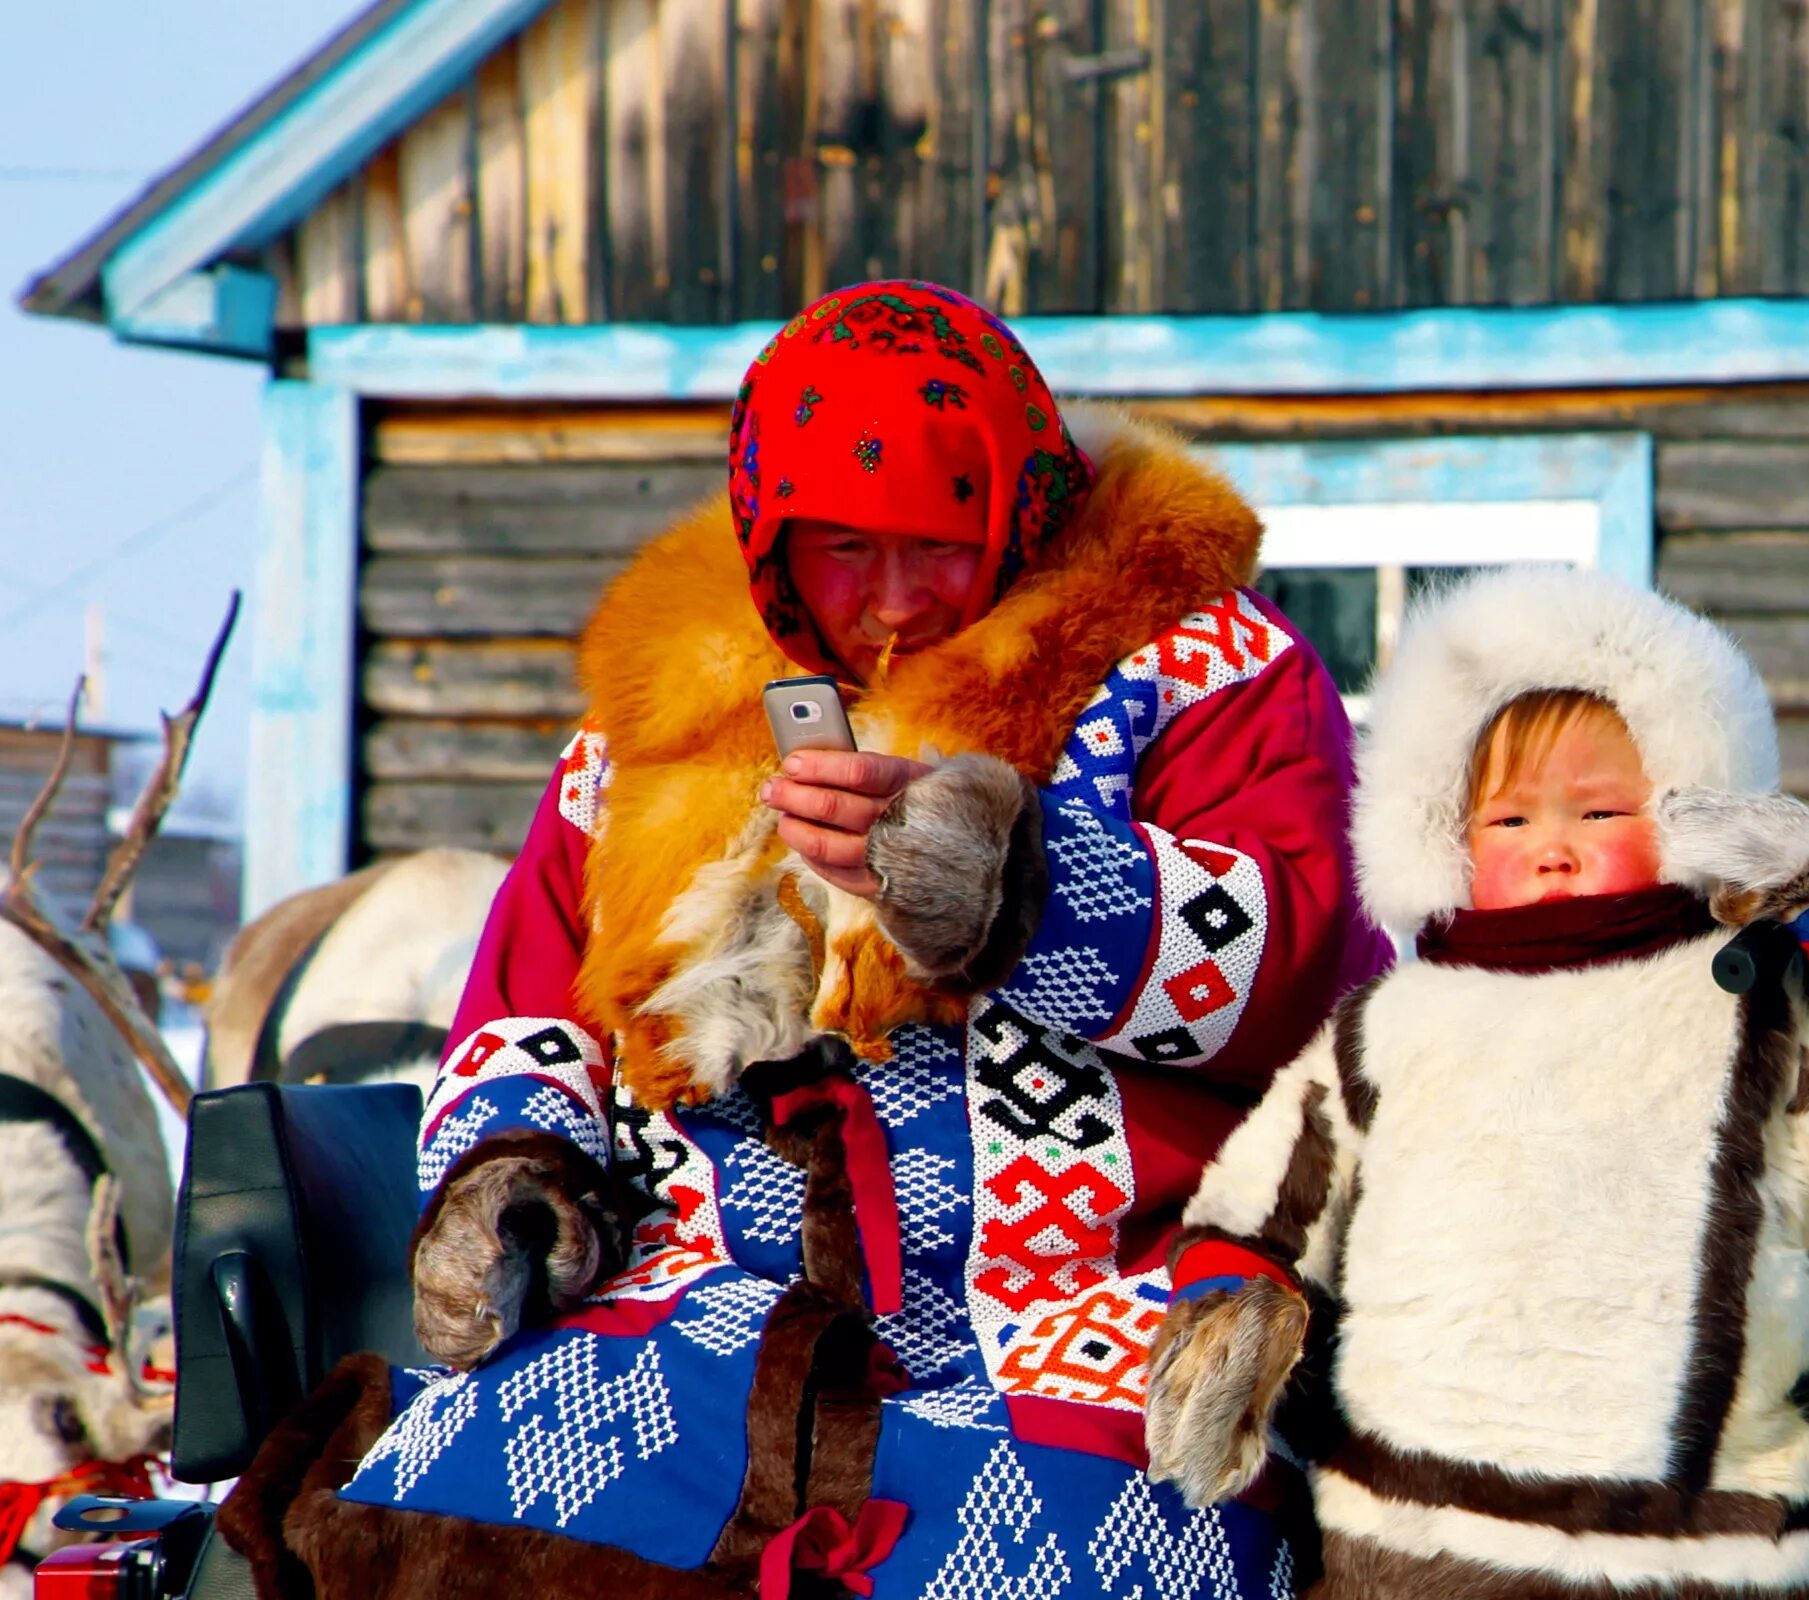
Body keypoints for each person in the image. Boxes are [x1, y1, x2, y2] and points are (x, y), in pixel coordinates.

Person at [220, 281, 1390, 1599]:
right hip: (701, 1300)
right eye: (842, 551)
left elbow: (1304, 971)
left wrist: (1015, 896)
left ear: (1023, 509)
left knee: (1105, 1548)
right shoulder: (670, 711)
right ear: (770, 543)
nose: (893, 603)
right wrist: (513, 1166)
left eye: (940, 548)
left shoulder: (1204, 664)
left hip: (1087, 1305)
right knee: (451, 1524)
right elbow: (532, 995)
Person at [1143, 566, 1809, 1599]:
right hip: (1416, 1538)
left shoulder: (1755, 1001)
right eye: (1509, 823)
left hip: (1706, 1541)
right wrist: (1236, 1308)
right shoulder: (1396, 1020)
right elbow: (1272, 1195)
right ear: (1445, 838)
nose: (1551, 849)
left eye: (1596, 812)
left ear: (1688, 806)